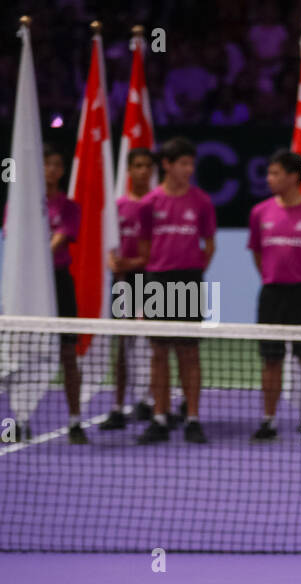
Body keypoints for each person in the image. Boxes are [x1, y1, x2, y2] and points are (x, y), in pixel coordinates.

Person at [247, 149, 301, 443]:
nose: (269, 179)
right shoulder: (260, 212)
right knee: (271, 360)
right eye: (269, 173)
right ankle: (268, 421)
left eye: (274, 173)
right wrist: (275, 278)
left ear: (292, 176)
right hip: (272, 293)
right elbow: (258, 254)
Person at [136, 137, 216, 444]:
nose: (189, 169)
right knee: (158, 353)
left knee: (189, 352)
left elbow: (209, 246)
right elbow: (145, 250)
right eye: (183, 163)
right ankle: (159, 417)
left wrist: (192, 271)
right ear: (166, 165)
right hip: (157, 280)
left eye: (191, 163)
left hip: (190, 279)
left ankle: (192, 418)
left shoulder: (202, 202)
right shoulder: (149, 204)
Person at [101, 147, 155, 431]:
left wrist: (134, 262)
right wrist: (114, 262)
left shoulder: (157, 204)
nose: (143, 171)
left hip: (152, 281)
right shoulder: (117, 206)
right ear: (130, 170)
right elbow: (110, 244)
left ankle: (151, 402)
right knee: (123, 345)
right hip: (124, 282)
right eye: (138, 166)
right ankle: (118, 406)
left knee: (156, 344)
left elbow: (157, 249)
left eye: (148, 166)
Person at [42, 145, 86, 444]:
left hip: (58, 282)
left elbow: (59, 240)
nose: (53, 169)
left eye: (58, 164)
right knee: (23, 353)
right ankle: (19, 419)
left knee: (68, 355)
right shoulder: (18, 207)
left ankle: (74, 421)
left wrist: (39, 254)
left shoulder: (69, 207)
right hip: (30, 286)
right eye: (47, 164)